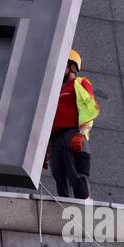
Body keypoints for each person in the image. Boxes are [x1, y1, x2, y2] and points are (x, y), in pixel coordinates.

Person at [45, 49, 99, 200]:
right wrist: (47, 149)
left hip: (72, 134)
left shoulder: (79, 83)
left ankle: (84, 206)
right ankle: (66, 212)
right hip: (56, 140)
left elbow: (89, 107)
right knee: (59, 176)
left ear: (72, 67)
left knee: (76, 172)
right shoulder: (55, 92)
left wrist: (81, 133)